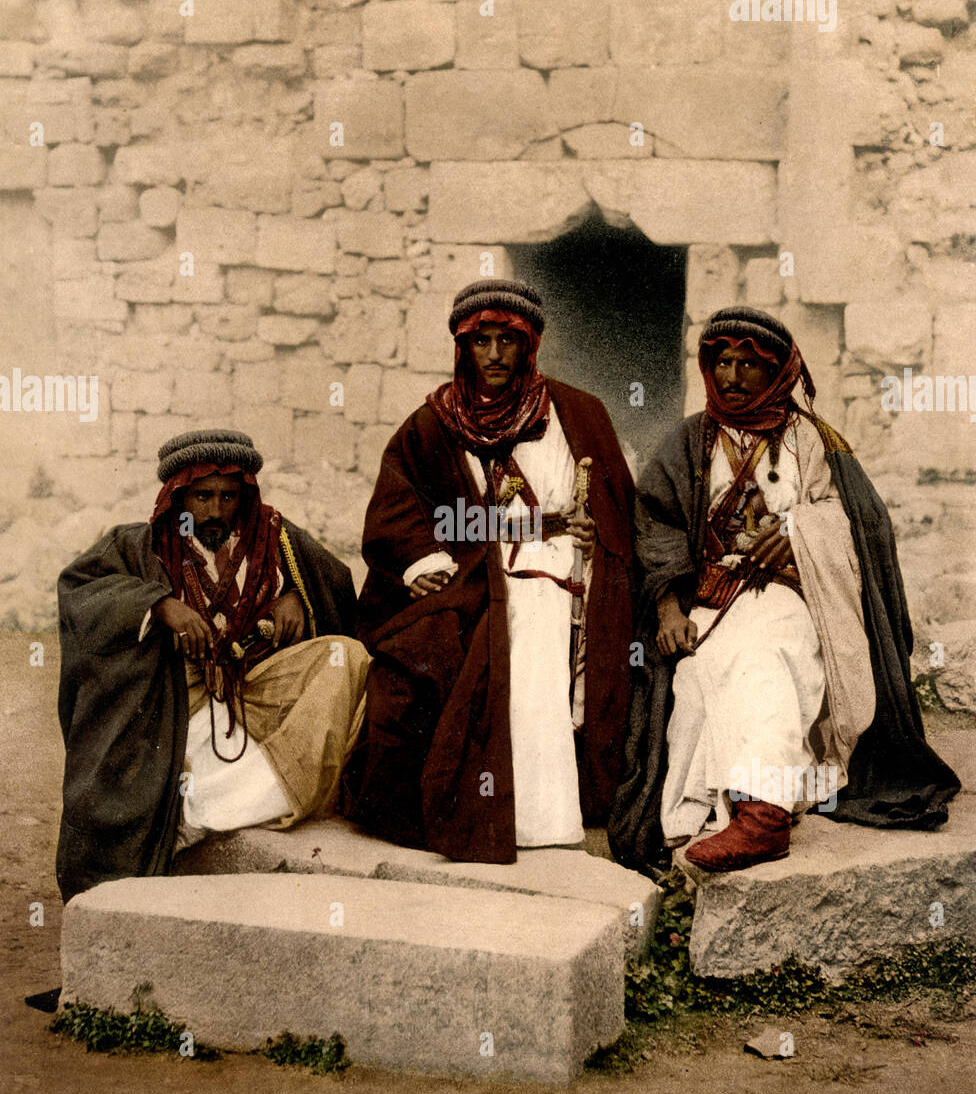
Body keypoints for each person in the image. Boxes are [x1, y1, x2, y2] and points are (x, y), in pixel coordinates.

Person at [609, 305, 959, 874]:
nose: (732, 375)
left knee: (763, 654)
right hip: (711, 600)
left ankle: (763, 817)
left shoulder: (813, 441)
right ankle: (717, 808)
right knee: (699, 674)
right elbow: (657, 525)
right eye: (722, 361)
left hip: (796, 595)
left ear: (779, 371)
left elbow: (862, 524)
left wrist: (800, 531)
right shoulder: (688, 441)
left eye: (749, 363)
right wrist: (670, 607)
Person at [344, 278, 636, 864]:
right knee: (440, 642)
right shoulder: (433, 422)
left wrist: (595, 532)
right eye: (483, 341)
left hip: (561, 563)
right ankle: (476, 802)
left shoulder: (577, 413)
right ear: (462, 347)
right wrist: (422, 557)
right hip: (469, 566)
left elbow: (618, 508)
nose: (496, 355)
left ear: (530, 346)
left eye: (509, 340)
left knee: (532, 616)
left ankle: (537, 813)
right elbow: (397, 508)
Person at [55, 428, 369, 903]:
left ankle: (207, 809)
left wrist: (296, 599)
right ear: (178, 495)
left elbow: (337, 585)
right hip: (185, 699)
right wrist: (159, 604)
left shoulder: (277, 539)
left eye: (228, 496)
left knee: (346, 657)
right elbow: (80, 590)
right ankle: (201, 809)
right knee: (167, 763)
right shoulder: (141, 545)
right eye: (202, 496)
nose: (216, 510)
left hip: (261, 686)